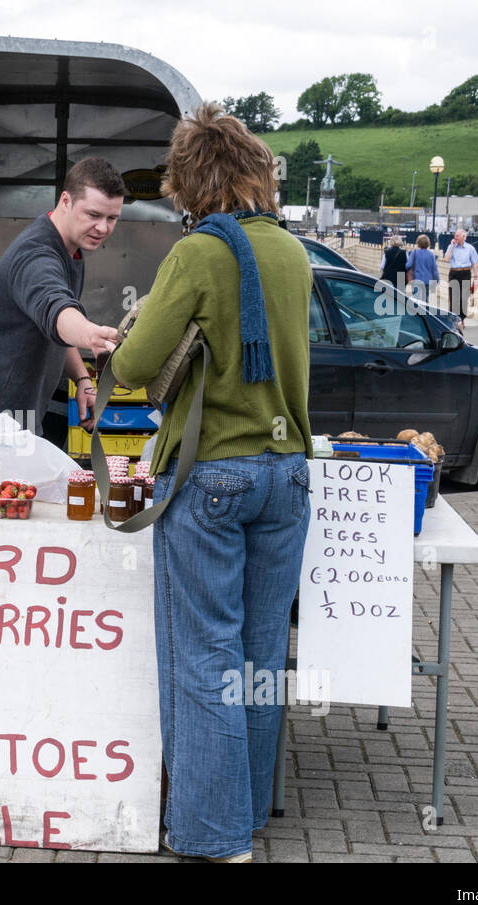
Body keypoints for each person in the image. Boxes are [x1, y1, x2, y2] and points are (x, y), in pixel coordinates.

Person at [111, 102, 313, 863]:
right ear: (255, 170)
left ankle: (215, 836)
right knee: (261, 658)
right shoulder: (293, 252)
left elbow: (132, 368)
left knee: (205, 656)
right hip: (288, 473)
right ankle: (249, 808)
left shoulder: (199, 253)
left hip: (214, 475)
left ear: (191, 181)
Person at [0, 158, 124, 473]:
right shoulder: (36, 255)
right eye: (94, 215)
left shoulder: (72, 249)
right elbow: (56, 310)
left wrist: (82, 379)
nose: (103, 228)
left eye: (112, 218)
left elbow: (53, 328)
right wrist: (90, 334)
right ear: (65, 201)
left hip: (20, 416)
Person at [444, 229, 478, 330]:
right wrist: (451, 246)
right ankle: (453, 319)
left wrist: (476, 276)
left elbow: (474, 263)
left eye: (458, 236)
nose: (456, 238)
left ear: (464, 237)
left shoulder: (470, 248)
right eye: (455, 235)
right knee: (453, 297)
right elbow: (446, 259)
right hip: (454, 272)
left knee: (463, 298)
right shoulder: (451, 247)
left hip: (465, 273)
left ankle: (461, 318)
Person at [405, 233, 439, 306]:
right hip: (427, 281)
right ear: (428, 243)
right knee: (425, 299)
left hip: (417, 279)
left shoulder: (414, 253)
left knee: (416, 300)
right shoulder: (431, 254)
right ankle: (425, 314)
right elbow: (434, 269)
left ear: (418, 243)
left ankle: (417, 315)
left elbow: (408, 265)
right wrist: (437, 280)